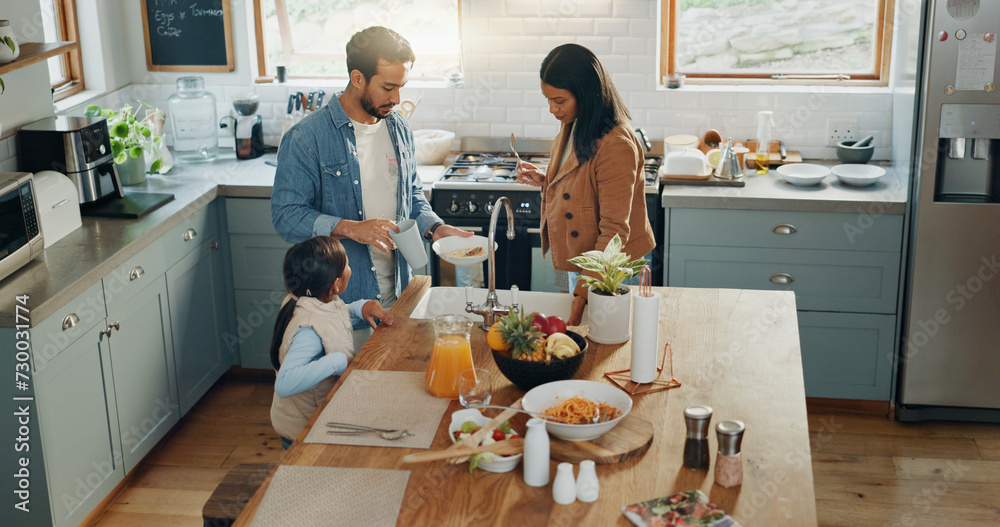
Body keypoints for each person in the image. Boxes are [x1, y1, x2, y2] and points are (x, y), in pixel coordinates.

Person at [271, 26, 471, 332]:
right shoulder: (306, 137)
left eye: (401, 86)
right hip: (343, 305)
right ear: (357, 78)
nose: (397, 98)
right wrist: (351, 228)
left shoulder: (399, 128)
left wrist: (435, 227)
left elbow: (412, 197)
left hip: (401, 295)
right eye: (388, 87)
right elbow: (286, 216)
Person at [516, 43, 655, 325]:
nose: (552, 109)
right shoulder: (575, 122)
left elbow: (615, 232)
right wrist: (547, 180)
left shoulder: (616, 143)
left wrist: (582, 294)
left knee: (606, 346)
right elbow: (584, 183)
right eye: (548, 100)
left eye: (559, 100)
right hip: (583, 257)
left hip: (610, 265)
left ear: (586, 93)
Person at [269, 236, 392, 449]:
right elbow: (285, 384)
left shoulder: (300, 298)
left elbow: (327, 319)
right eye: (347, 265)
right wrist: (340, 361)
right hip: (306, 432)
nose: (349, 268)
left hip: (308, 422)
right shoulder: (308, 333)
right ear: (336, 283)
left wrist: (358, 309)